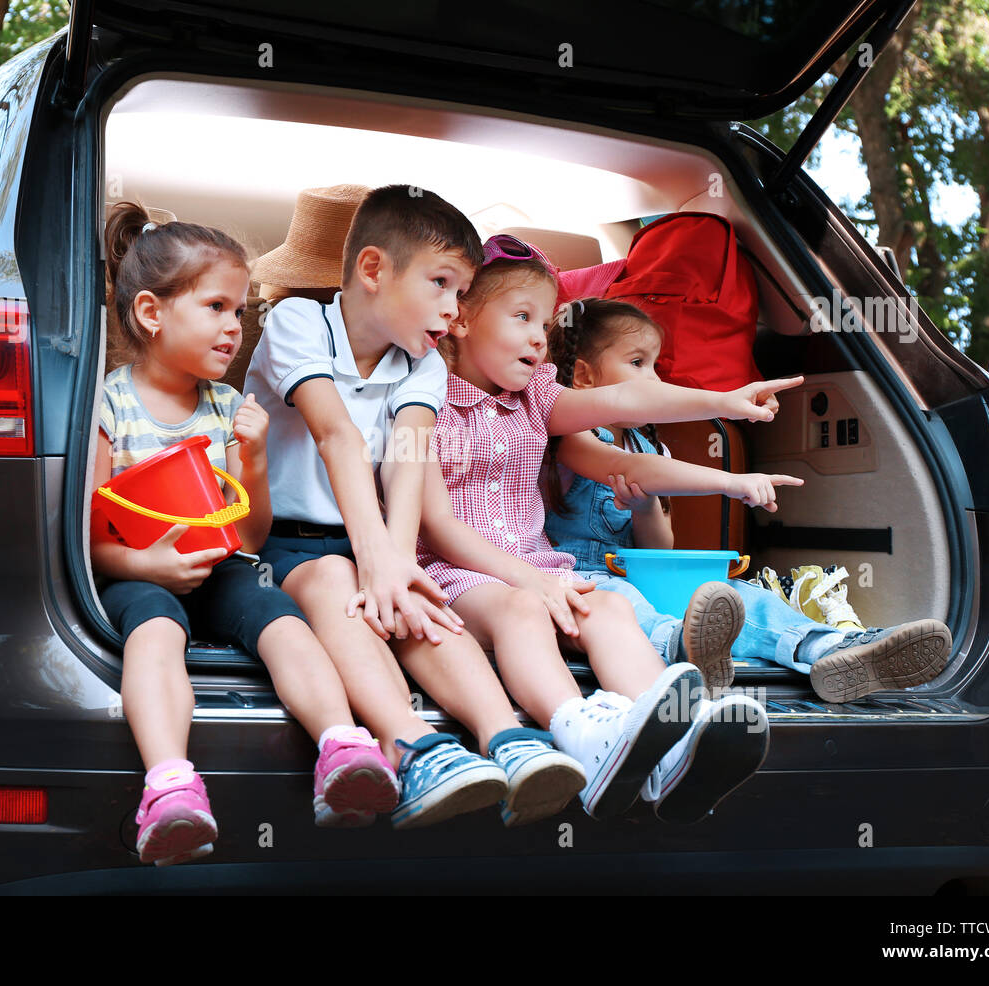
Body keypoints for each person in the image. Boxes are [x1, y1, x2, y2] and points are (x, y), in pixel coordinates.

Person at [415, 234, 802, 824]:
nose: (539, 337)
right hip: (458, 576)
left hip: (542, 572)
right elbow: (436, 528)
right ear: (461, 318)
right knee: (521, 609)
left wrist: (724, 403)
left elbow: (625, 405)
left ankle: (679, 744)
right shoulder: (423, 397)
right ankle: (582, 735)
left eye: (545, 324)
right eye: (522, 317)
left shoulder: (538, 400)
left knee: (614, 612)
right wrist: (531, 582)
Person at [244, 185, 590, 829]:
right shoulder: (298, 322)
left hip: (376, 533)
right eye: (441, 284)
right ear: (373, 270)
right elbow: (337, 436)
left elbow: (407, 457)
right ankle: (415, 747)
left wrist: (400, 565)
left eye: (461, 292)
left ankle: (505, 739)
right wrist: (377, 559)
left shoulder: (422, 366)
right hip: (292, 541)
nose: (453, 309)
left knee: (425, 610)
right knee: (339, 584)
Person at [91, 201, 400, 865]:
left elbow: (252, 537)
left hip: (221, 562)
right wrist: (147, 567)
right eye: (216, 308)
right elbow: (87, 534)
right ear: (152, 312)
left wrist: (253, 462)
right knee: (154, 630)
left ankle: (342, 746)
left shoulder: (230, 408)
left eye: (240, 311)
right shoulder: (109, 403)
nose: (235, 327)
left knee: (280, 616)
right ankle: (170, 786)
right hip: (137, 569)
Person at [542, 296, 953, 704]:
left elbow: (658, 546)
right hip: (577, 578)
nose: (653, 379)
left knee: (733, 593)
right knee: (622, 604)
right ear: (583, 376)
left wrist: (644, 506)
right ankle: (679, 648)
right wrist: (731, 482)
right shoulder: (568, 436)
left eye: (655, 365)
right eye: (637, 363)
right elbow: (632, 471)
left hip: (637, 572)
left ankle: (829, 648)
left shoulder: (648, 444)